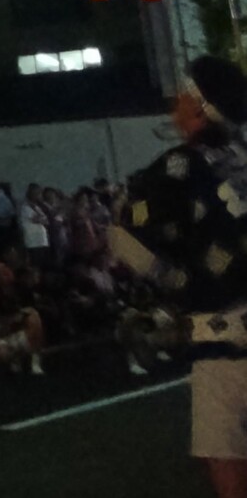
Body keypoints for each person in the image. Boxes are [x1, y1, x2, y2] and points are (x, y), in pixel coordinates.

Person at [117, 56, 247, 498]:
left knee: (224, 451)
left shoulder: (177, 167)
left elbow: (125, 233)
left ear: (199, 108)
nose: (175, 101)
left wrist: (173, 281)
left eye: (183, 93)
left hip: (223, 334)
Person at [19, 184, 51, 267]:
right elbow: (37, 219)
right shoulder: (25, 207)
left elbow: (46, 221)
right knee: (35, 264)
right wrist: (42, 219)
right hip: (33, 242)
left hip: (42, 241)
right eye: (37, 193)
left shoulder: (37, 207)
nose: (39, 196)